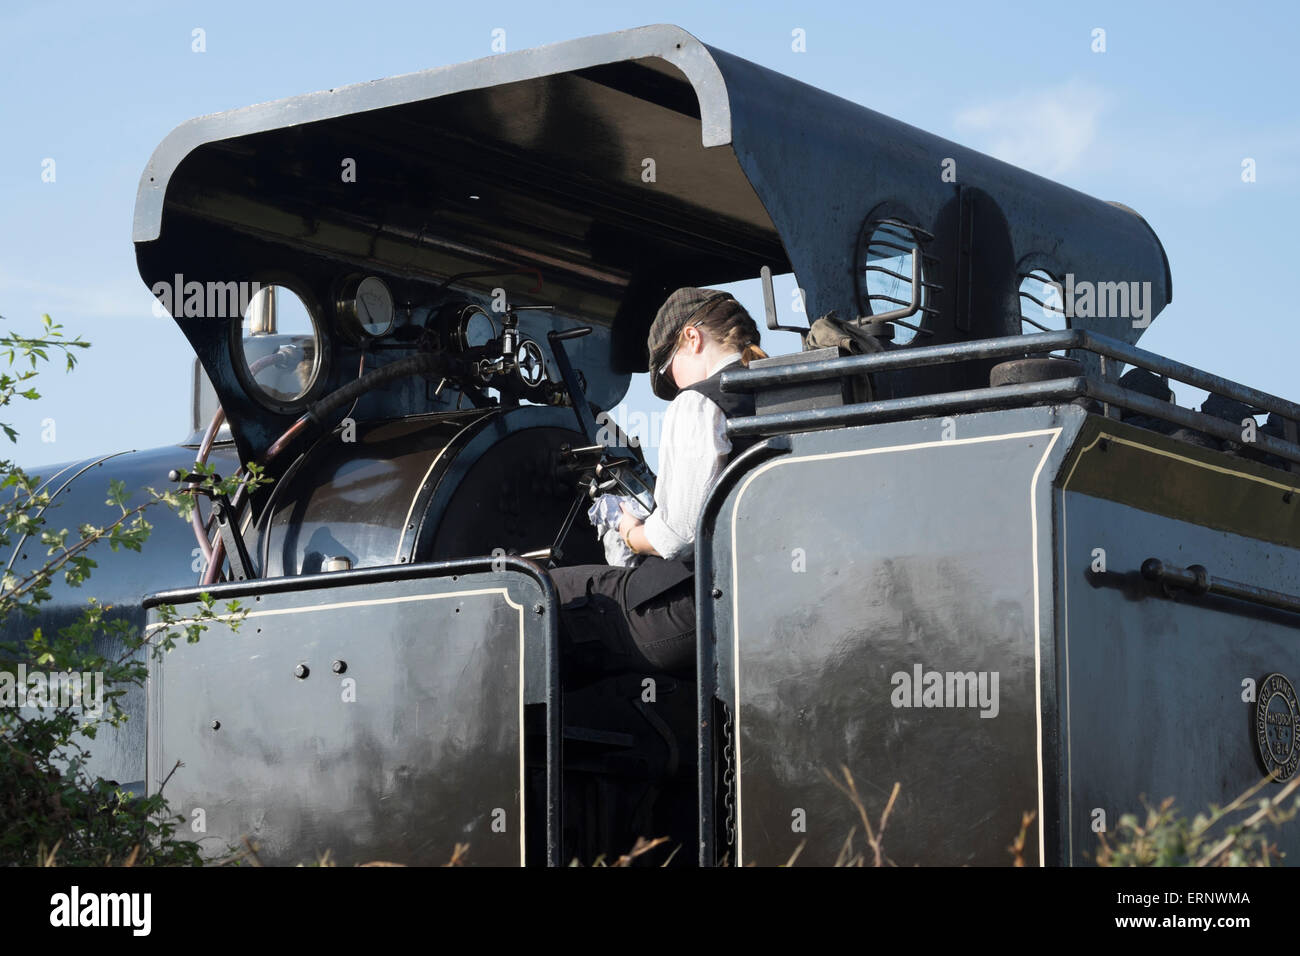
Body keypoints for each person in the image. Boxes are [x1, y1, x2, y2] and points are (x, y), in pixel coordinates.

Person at [549, 287, 769, 687]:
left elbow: (678, 536)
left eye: (668, 370)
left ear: (692, 338)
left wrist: (628, 532)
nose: (675, 385)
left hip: (689, 608)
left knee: (540, 594)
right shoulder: (778, 393)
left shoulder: (699, 403)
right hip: (756, 600)